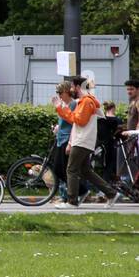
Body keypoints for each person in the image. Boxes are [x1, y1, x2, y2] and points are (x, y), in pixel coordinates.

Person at [54, 75, 118, 207]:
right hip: (83, 140)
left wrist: (60, 109)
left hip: (82, 140)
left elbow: (79, 121)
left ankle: (72, 202)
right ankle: (111, 193)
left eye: (72, 86)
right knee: (86, 171)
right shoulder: (85, 101)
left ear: (78, 87)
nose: (70, 89)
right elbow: (78, 120)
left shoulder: (86, 102)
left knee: (71, 170)